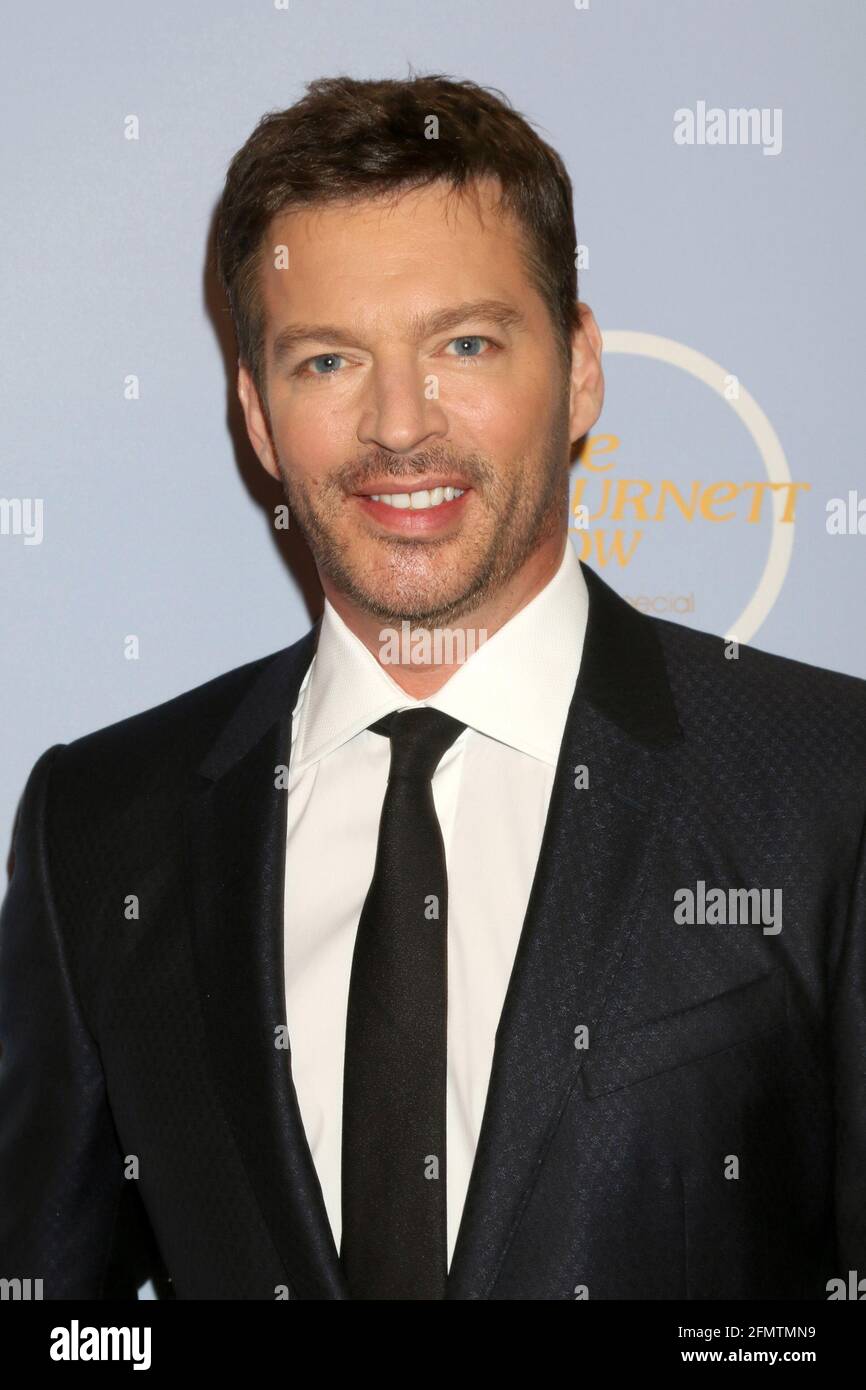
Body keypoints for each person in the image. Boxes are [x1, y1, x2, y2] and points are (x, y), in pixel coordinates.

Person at [1, 72, 864, 1302]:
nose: (400, 426)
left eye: (464, 344)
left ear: (578, 367)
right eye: (326, 362)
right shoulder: (101, 824)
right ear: (255, 415)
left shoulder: (827, 785)